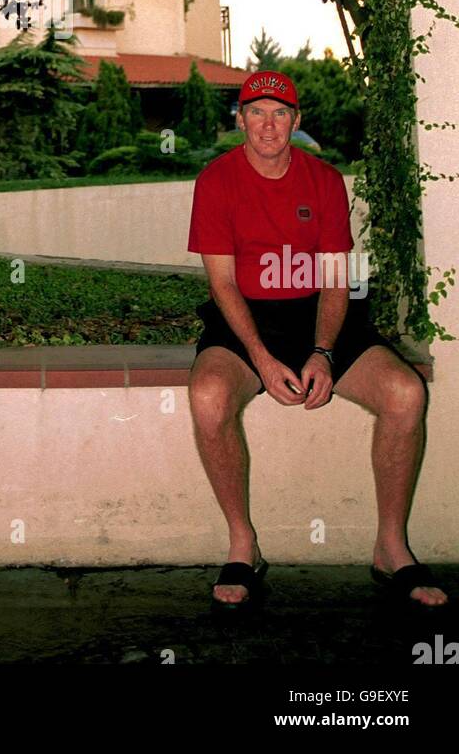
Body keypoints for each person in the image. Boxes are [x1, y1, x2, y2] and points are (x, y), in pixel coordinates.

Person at [186, 70, 448, 610]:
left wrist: (324, 353)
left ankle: (390, 547)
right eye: (256, 112)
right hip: (244, 318)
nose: (268, 124)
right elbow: (222, 283)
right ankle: (243, 543)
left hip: (320, 315)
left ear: (296, 120)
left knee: (406, 395)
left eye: (279, 113)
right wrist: (259, 357)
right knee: (208, 397)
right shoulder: (215, 180)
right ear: (240, 120)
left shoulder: (326, 181)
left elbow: (335, 280)